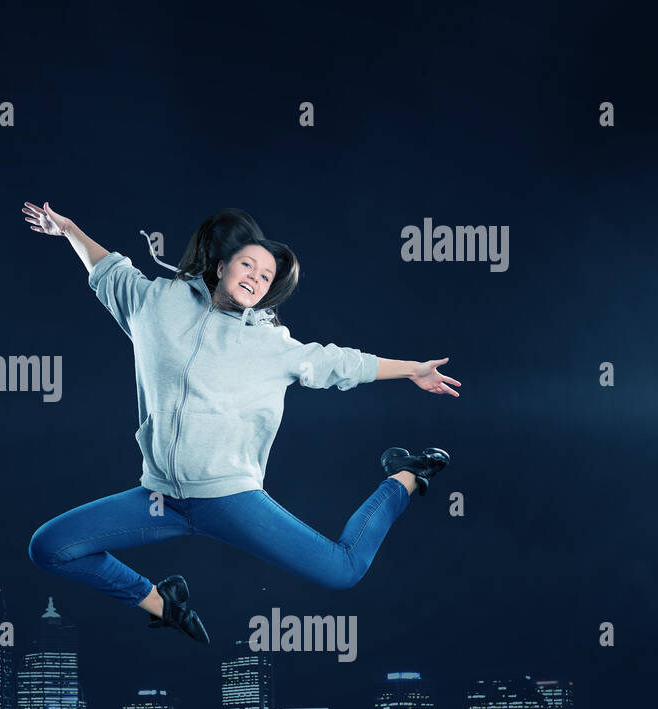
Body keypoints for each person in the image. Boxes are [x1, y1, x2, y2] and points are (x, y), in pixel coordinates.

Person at [23, 202, 460, 644]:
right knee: (50, 548)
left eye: (265, 276)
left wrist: (412, 369)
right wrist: (69, 230)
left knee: (342, 570)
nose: (254, 276)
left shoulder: (271, 344)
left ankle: (405, 475)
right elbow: (110, 270)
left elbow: (340, 363)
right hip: (159, 498)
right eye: (247, 264)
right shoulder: (157, 304)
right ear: (221, 266)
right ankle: (162, 603)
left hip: (228, 499)